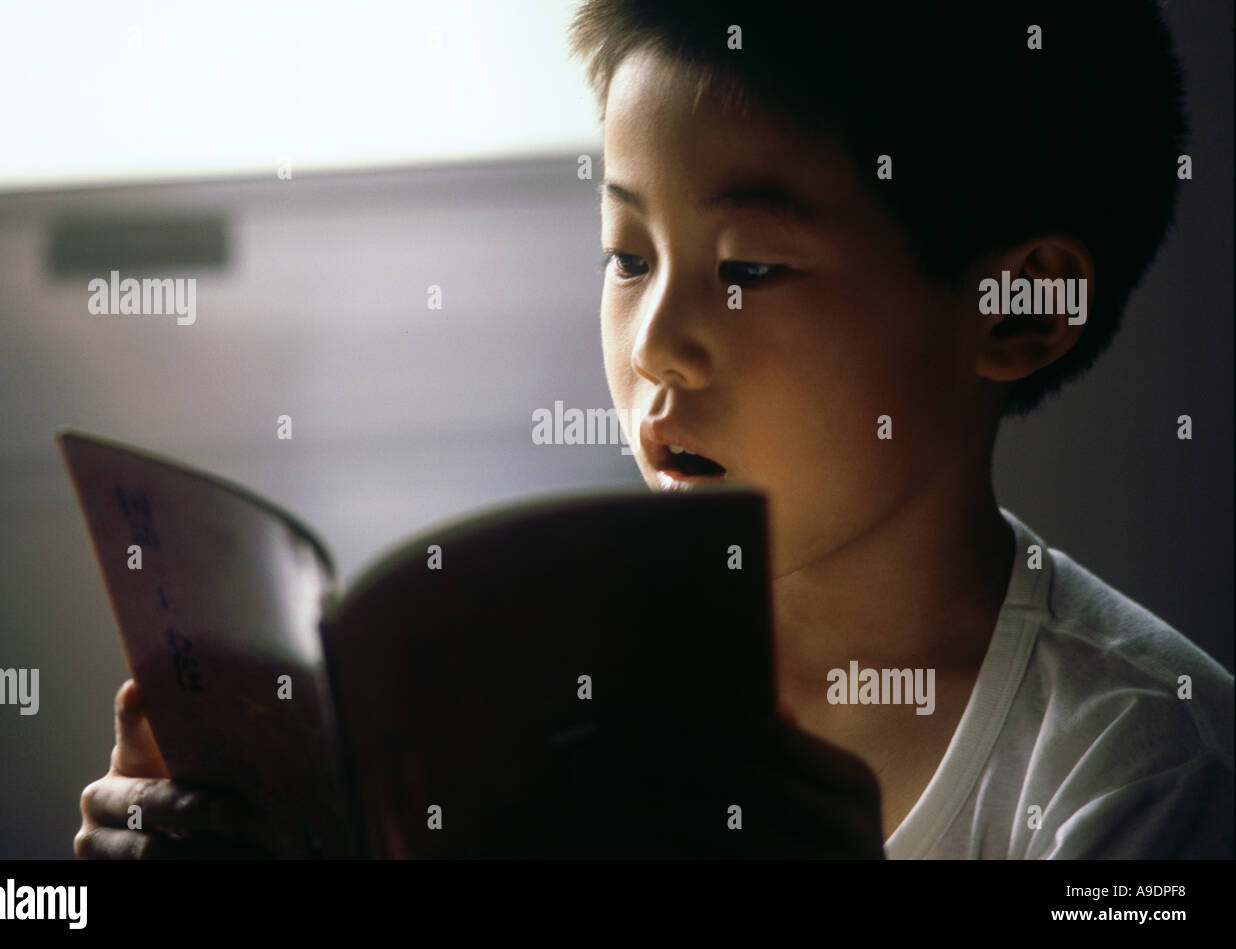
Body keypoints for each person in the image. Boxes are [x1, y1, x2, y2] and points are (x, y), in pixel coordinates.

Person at [76, 0, 1233, 859]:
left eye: (751, 267)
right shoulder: (500, 685)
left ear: (1017, 308)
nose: (654, 345)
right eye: (627, 257)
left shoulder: (1138, 768)